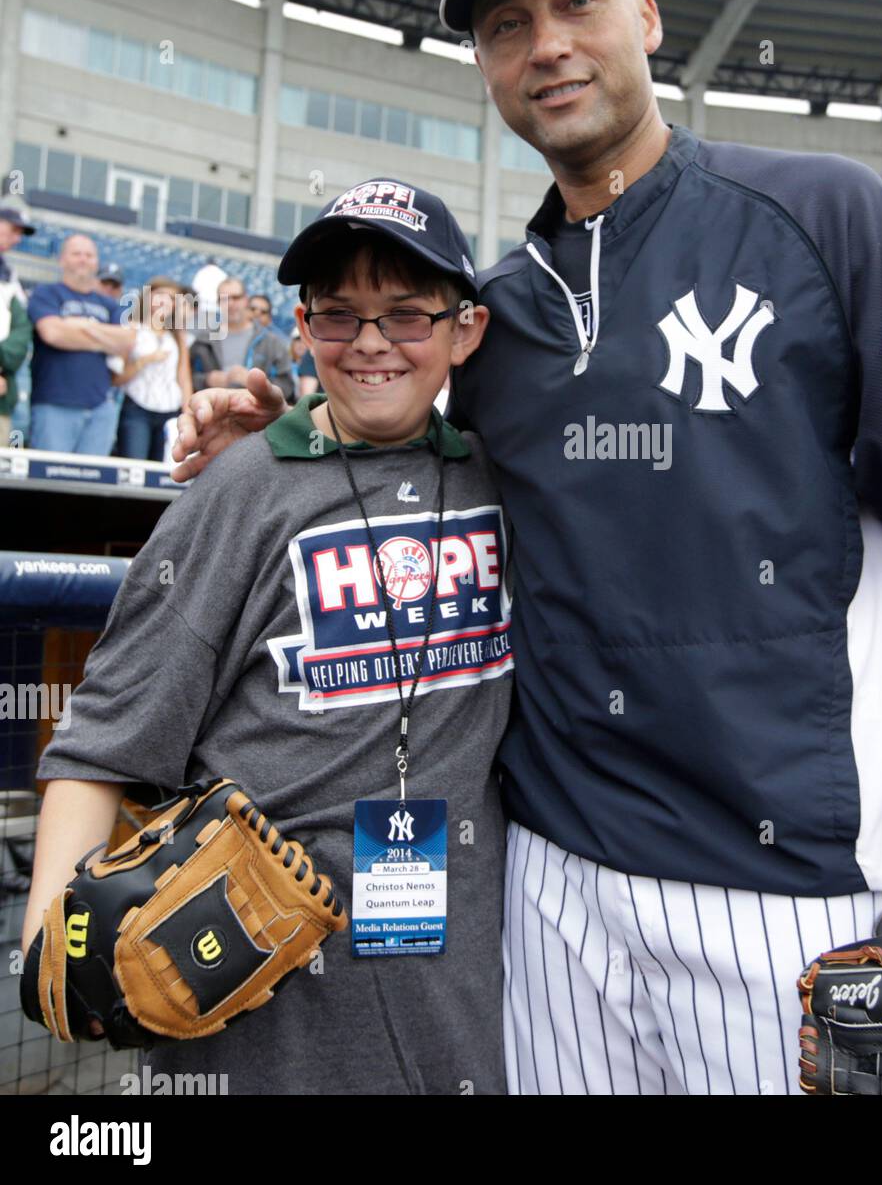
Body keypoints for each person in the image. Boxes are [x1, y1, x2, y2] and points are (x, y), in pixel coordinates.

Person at [174, 0, 882, 1097]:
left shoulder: (824, 217)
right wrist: (293, 434)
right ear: (485, 67)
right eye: (504, 26)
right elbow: (404, 458)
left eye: (575, 1)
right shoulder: (497, 315)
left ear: (645, 16)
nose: (545, 44)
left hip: (796, 895)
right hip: (549, 891)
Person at [21, 178, 510, 1094]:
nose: (370, 343)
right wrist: (53, 933)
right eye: (339, 316)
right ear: (300, 326)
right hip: (254, 1010)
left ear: (465, 331)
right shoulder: (240, 490)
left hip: (457, 1007)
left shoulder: (502, 484)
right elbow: (102, 739)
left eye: (406, 316)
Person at [27, 232, 135, 454]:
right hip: (54, 404)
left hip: (100, 408)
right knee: (49, 481)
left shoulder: (110, 304)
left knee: (91, 487)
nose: (83, 259)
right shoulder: (46, 293)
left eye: (89, 255)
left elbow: (127, 341)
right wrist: (105, 339)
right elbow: (53, 334)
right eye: (76, 254)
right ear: (62, 259)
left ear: (96, 261)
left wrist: (83, 326)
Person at [112, 275, 193, 461]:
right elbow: (117, 378)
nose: (165, 301)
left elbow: (184, 378)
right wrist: (144, 361)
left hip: (170, 411)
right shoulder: (131, 329)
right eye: (160, 295)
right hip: (137, 409)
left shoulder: (178, 336)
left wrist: (188, 414)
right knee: (134, 467)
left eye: (172, 298)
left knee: (164, 470)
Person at [191, 276, 294, 401]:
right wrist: (207, 380)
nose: (230, 304)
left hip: (256, 416)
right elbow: (187, 378)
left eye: (236, 297)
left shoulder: (271, 342)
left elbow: (287, 387)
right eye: (224, 299)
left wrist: (256, 383)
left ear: (246, 299)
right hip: (214, 412)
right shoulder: (203, 340)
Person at [0, 203, 34, 446]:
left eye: (19, 233)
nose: (16, 238)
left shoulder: (8, 276)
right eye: (12, 229)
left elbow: (21, 330)